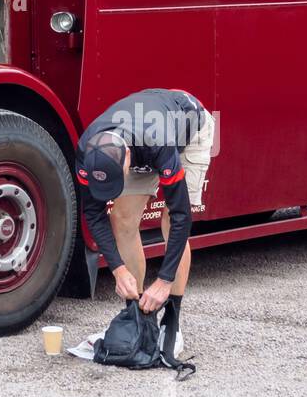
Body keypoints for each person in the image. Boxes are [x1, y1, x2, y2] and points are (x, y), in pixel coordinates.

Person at [75, 89, 214, 322]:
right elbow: (93, 212)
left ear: (127, 158)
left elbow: (182, 216)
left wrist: (163, 281)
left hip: (189, 125)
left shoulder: (158, 144)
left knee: (170, 218)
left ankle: (171, 320)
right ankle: (137, 315)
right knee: (122, 218)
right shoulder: (86, 149)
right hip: (141, 127)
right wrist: (118, 269)